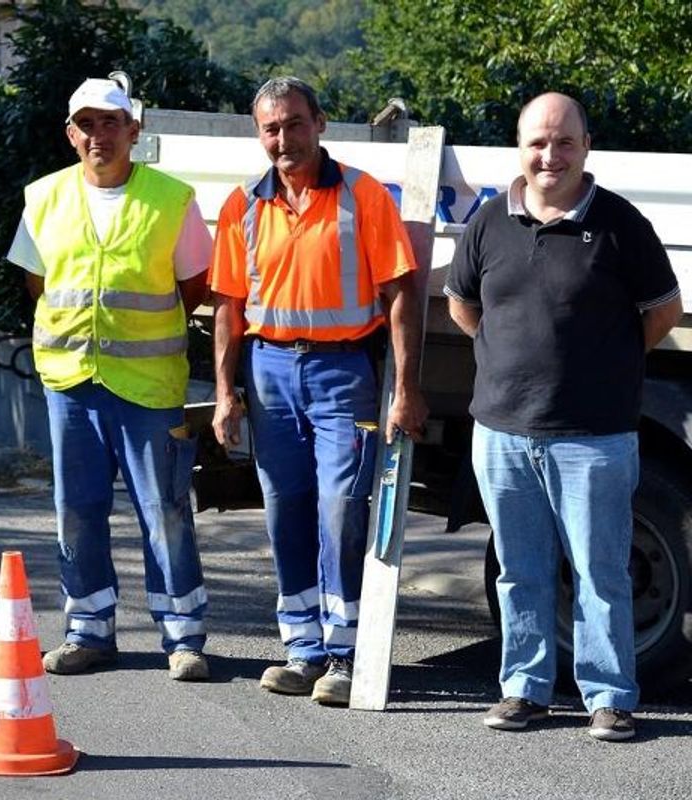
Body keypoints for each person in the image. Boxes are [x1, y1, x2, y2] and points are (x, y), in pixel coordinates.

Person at [446, 92, 682, 741]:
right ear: (519, 148)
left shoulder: (619, 224)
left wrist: (604, 362)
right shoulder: (490, 220)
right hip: (501, 433)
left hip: (595, 435)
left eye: (564, 141)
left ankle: (609, 696)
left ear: (585, 145)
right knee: (518, 570)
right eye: (538, 143)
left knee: (600, 573)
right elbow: (463, 306)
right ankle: (524, 689)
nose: (550, 155)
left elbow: (662, 312)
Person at [210, 77, 427, 706]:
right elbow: (228, 306)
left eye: (294, 124)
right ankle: (301, 647)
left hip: (342, 374)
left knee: (340, 506)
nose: (283, 138)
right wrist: (226, 393)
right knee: (285, 509)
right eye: (271, 128)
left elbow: (401, 295)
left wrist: (406, 388)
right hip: (269, 370)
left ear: (320, 123)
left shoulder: (363, 196)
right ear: (259, 134)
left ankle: (342, 652)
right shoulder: (243, 205)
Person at [6, 76, 214, 681]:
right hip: (71, 383)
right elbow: (35, 282)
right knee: (77, 510)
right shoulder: (43, 198)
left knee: (166, 510)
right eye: (88, 124)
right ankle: (88, 630)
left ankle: (183, 638)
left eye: (111, 122)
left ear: (134, 130)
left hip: (148, 387)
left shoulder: (172, 199)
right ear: (72, 134)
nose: (100, 134)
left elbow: (193, 286)